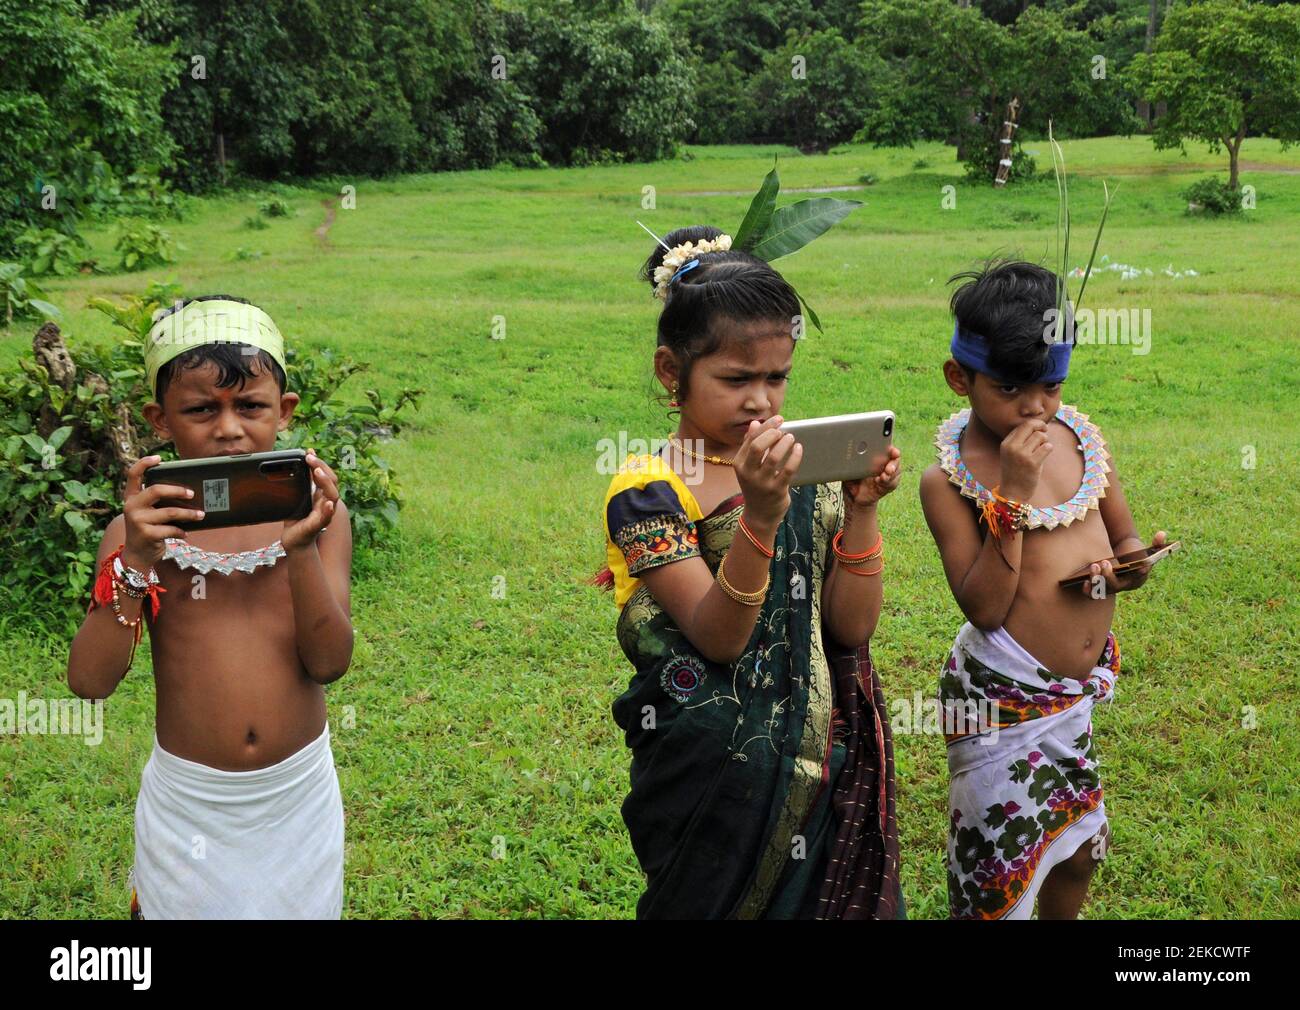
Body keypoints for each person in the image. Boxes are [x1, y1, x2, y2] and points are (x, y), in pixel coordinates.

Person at [597, 226, 904, 918]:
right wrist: (762, 516)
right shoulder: (647, 490)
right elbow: (719, 638)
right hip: (714, 780)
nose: (761, 401)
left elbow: (848, 629)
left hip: (824, 767)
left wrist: (860, 514)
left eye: (776, 377)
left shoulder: (800, 467)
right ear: (671, 373)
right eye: (736, 380)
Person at [66, 295, 353, 919]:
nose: (228, 428)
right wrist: (137, 561)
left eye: (250, 406)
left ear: (284, 411)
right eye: (201, 409)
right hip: (190, 802)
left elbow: (329, 661)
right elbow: (90, 681)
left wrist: (299, 549)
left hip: (295, 796)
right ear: (160, 419)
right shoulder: (137, 533)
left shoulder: (322, 520)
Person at [919, 261, 1166, 919]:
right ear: (958, 379)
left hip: (1069, 701)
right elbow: (985, 605)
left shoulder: (1081, 440)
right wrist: (1014, 493)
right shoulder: (947, 482)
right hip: (1000, 701)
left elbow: (1125, 540)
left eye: (1051, 386)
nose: (1035, 408)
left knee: (1078, 848)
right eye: (1009, 389)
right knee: (1000, 870)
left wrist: (1132, 566)